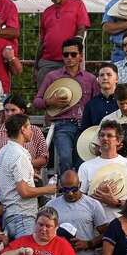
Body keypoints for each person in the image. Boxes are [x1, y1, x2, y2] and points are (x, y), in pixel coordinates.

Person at [35, 37, 98, 174]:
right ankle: (65, 185)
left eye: (73, 54)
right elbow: (37, 101)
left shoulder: (91, 79)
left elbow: (96, 104)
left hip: (84, 125)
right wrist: (50, 102)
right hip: (62, 124)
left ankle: (78, 186)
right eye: (65, 54)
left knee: (82, 161)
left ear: (80, 56)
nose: (69, 58)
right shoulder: (52, 76)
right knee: (65, 158)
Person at [0, 114, 59, 238]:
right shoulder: (20, 155)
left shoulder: (2, 151)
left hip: (8, 216)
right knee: (27, 250)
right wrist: (47, 189)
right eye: (29, 127)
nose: (32, 131)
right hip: (23, 216)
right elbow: (24, 192)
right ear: (23, 129)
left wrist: (27, 178)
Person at [77, 120, 127, 220]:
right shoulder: (86, 166)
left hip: (124, 222)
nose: (105, 138)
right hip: (94, 223)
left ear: (118, 141)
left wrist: (116, 202)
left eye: (109, 136)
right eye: (102, 135)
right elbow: (79, 201)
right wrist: (97, 195)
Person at [35, 0, 90, 85]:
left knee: (71, 93)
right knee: (45, 94)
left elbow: (82, 28)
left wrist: (75, 50)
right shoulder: (46, 12)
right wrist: (36, 66)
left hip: (70, 61)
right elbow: (42, 41)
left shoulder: (77, 4)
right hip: (47, 63)